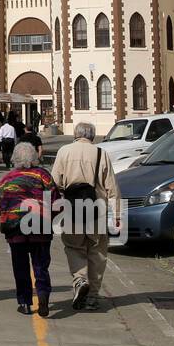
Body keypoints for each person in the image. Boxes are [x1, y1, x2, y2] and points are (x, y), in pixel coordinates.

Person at [51, 121, 121, 310]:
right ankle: (93, 296)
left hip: (72, 208)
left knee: (74, 247)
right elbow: (112, 187)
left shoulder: (64, 152)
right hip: (96, 208)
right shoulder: (101, 153)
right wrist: (117, 215)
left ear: (75, 134)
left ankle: (80, 280)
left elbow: (54, 182)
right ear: (92, 136)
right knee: (97, 252)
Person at [0, 142, 58, 316]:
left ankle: (24, 303)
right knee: (40, 265)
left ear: (15, 158)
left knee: (20, 267)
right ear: (34, 157)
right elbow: (56, 202)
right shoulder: (44, 176)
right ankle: (43, 295)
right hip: (40, 227)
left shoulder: (7, 179)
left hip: (15, 229)